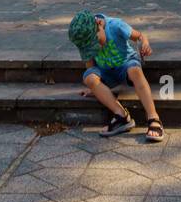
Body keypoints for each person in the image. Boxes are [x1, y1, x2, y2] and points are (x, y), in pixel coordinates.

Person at [67, 9, 164, 141]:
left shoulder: (116, 25)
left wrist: (145, 43)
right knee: (88, 77)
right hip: (106, 73)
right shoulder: (84, 38)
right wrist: (94, 87)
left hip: (126, 65)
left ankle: (153, 118)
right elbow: (90, 64)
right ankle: (122, 116)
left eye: (97, 44)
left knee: (135, 70)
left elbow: (139, 36)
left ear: (99, 24)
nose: (97, 48)